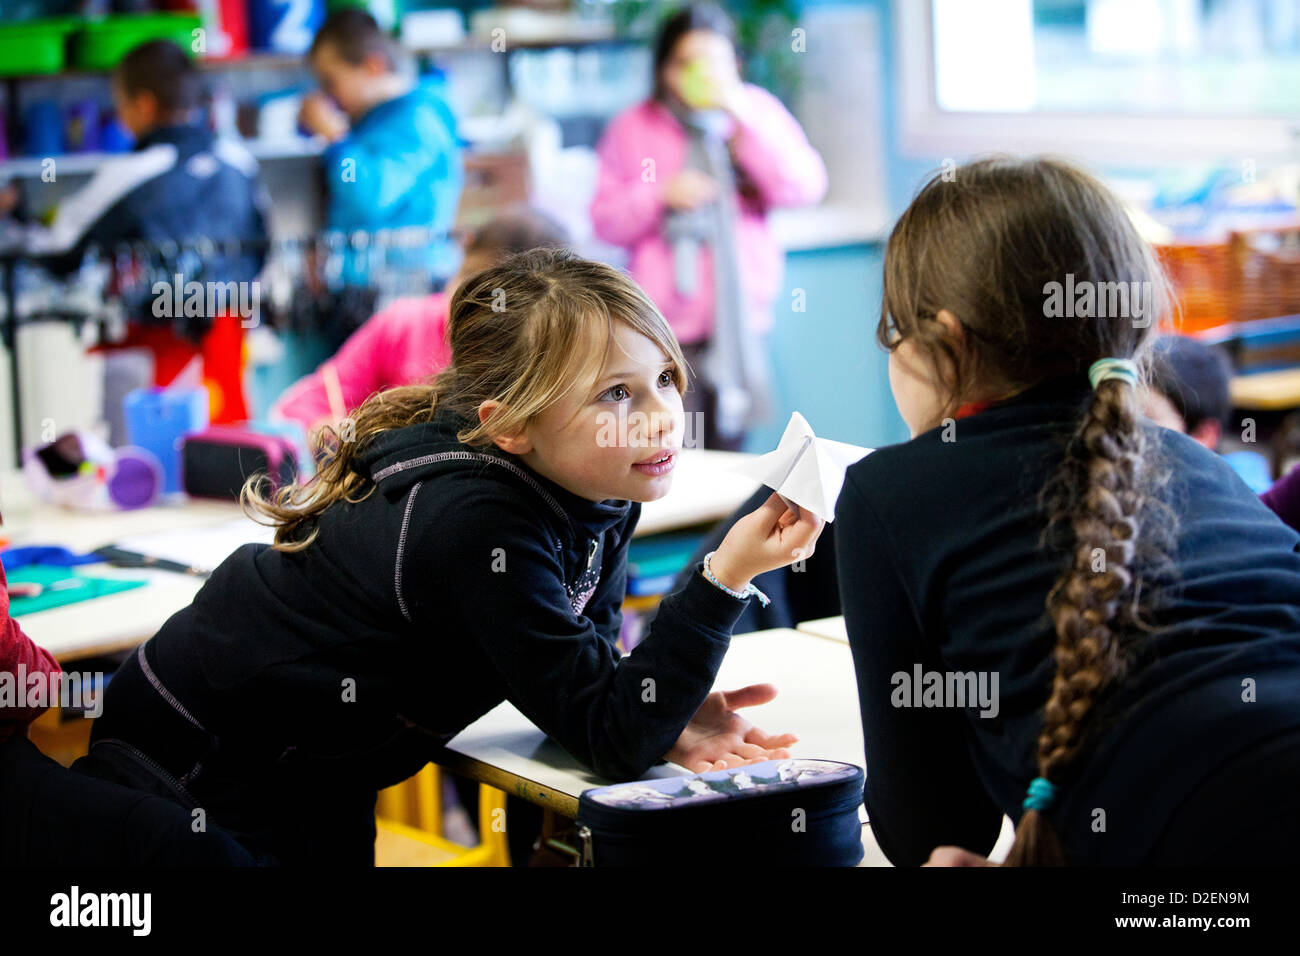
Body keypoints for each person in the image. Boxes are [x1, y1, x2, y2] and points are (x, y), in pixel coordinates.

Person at [70, 249, 823, 865]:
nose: (663, 417)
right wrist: (724, 575)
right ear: (511, 428)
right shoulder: (475, 524)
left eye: (663, 379)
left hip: (318, 768)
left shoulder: (601, 483)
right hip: (198, 760)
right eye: (616, 395)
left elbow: (583, 691)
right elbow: (613, 736)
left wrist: (666, 712)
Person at [836, 157, 1300, 866]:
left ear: (947, 339)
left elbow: (932, 834)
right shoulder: (1204, 465)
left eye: (893, 332)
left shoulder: (886, 492)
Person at [590, 3, 827, 451]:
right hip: (663, 330)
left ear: (735, 64)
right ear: (663, 69)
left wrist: (742, 118)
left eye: (714, 61)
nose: (700, 73)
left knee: (729, 455)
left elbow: (803, 185)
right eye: (685, 63)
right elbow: (604, 218)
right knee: (672, 447)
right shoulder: (634, 127)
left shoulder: (753, 113)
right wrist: (658, 194)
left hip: (738, 322)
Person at [7, 39, 268, 423]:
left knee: (150, 471)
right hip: (230, 346)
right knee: (231, 464)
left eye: (121, 106)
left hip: (155, 364)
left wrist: (15, 213)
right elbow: (264, 252)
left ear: (142, 105)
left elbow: (57, 251)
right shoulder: (241, 163)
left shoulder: (129, 173)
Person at [271, 209, 569, 437]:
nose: (469, 310)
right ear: (462, 252)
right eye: (467, 284)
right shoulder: (404, 324)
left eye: (498, 307)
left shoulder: (542, 362)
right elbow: (298, 412)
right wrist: (349, 435)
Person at [300, 8, 463, 286]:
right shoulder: (372, 121)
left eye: (331, 81)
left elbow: (370, 196)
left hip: (409, 287)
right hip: (367, 287)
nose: (327, 96)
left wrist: (336, 139)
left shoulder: (418, 120)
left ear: (372, 66)